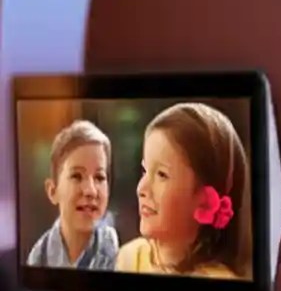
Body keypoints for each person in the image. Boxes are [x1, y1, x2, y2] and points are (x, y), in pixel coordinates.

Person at [116, 103, 251, 280]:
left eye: (162, 175)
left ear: (206, 200)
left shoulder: (221, 282)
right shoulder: (129, 257)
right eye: (144, 171)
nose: (141, 188)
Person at [27, 120, 119, 270]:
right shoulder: (39, 258)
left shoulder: (120, 253)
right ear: (52, 191)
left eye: (99, 177)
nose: (91, 190)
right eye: (77, 176)